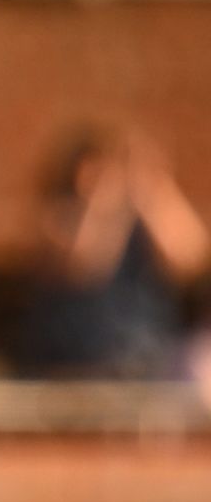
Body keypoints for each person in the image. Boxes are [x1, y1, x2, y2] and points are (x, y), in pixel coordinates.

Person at [15, 124, 210, 379]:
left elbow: (189, 259)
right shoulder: (58, 219)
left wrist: (153, 192)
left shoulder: (145, 221)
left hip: (145, 355)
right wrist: (102, 201)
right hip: (74, 358)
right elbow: (86, 265)